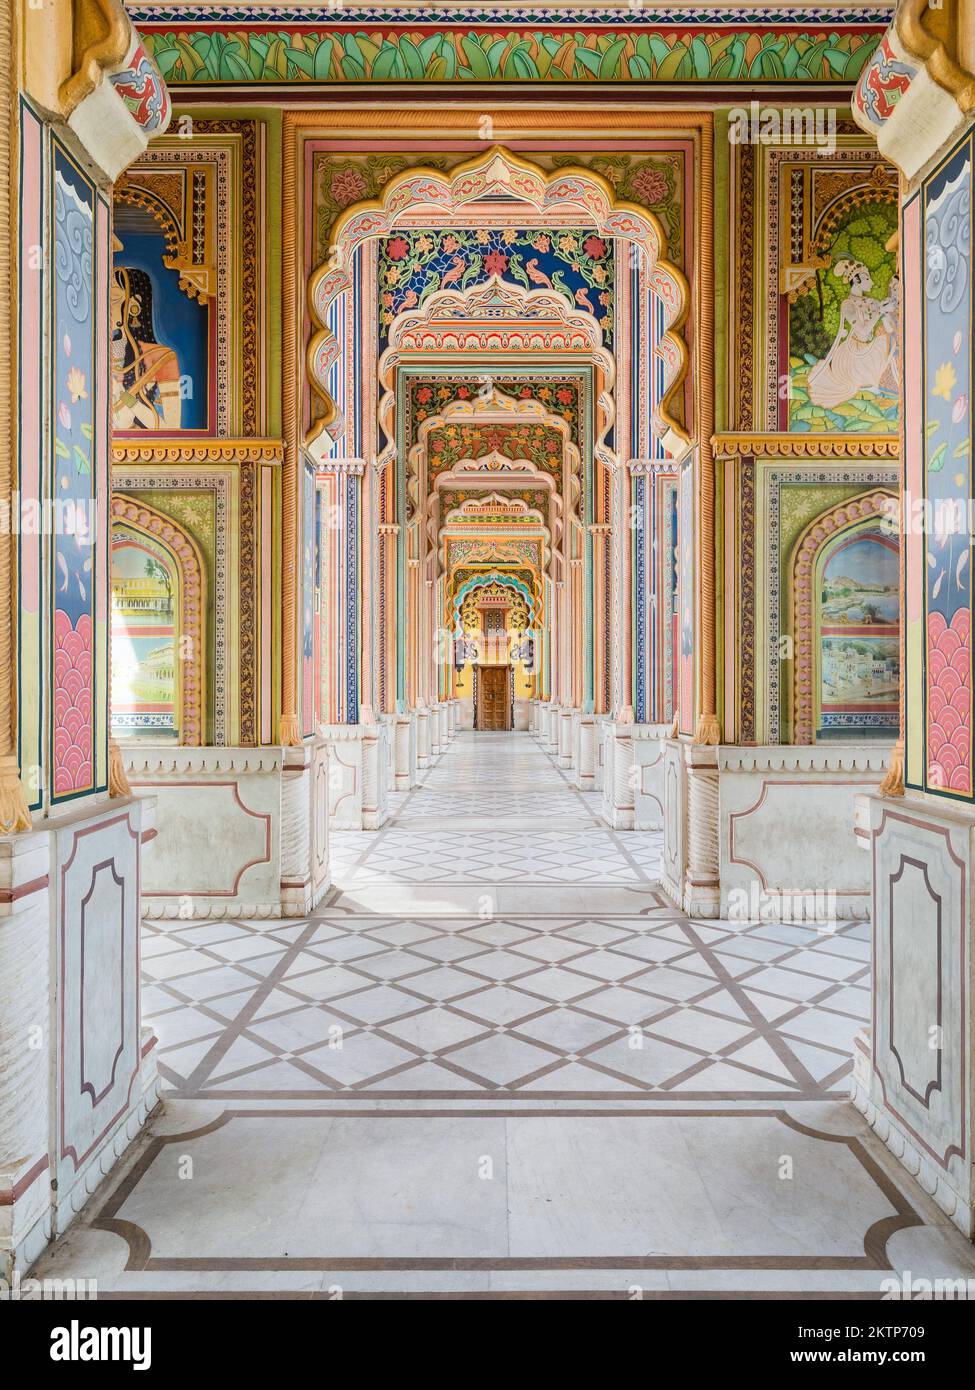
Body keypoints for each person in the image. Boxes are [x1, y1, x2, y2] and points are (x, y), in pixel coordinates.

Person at [807, 258, 896, 409]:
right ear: (857, 279)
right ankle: (868, 382)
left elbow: (888, 326)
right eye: (867, 278)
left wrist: (889, 314)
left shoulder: (872, 302)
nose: (872, 283)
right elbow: (862, 332)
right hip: (852, 351)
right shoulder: (847, 305)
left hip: (868, 345)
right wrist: (879, 313)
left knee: (885, 340)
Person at [111, 265, 183, 430]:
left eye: (113, 300)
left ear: (133, 305)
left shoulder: (161, 357)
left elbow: (171, 430)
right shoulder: (95, 355)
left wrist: (125, 398)